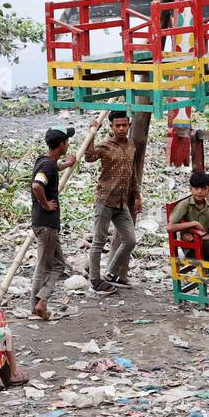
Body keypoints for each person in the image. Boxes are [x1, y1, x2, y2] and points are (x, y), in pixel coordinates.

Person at [84, 110, 140, 291]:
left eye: (124, 125)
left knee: (130, 240)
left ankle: (111, 272)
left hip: (122, 202)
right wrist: (92, 134)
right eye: (118, 126)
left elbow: (132, 175)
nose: (122, 129)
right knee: (99, 242)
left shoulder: (131, 146)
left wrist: (137, 196)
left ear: (129, 125)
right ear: (112, 127)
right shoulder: (105, 146)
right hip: (105, 200)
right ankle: (95, 280)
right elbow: (89, 157)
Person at [30, 126, 78, 318]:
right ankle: (37, 306)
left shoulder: (45, 161)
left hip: (45, 223)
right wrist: (46, 204)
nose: (68, 144)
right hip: (46, 223)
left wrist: (67, 164)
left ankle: (41, 302)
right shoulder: (47, 165)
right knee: (44, 266)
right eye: (67, 142)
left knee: (59, 265)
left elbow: (51, 169)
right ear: (62, 144)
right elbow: (37, 185)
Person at [167, 170, 209, 262]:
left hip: (205, 244)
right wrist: (193, 223)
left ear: (208, 189)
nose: (199, 192)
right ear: (190, 189)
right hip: (190, 249)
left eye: (203, 188)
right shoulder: (185, 205)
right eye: (196, 188)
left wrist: (200, 238)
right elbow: (169, 227)